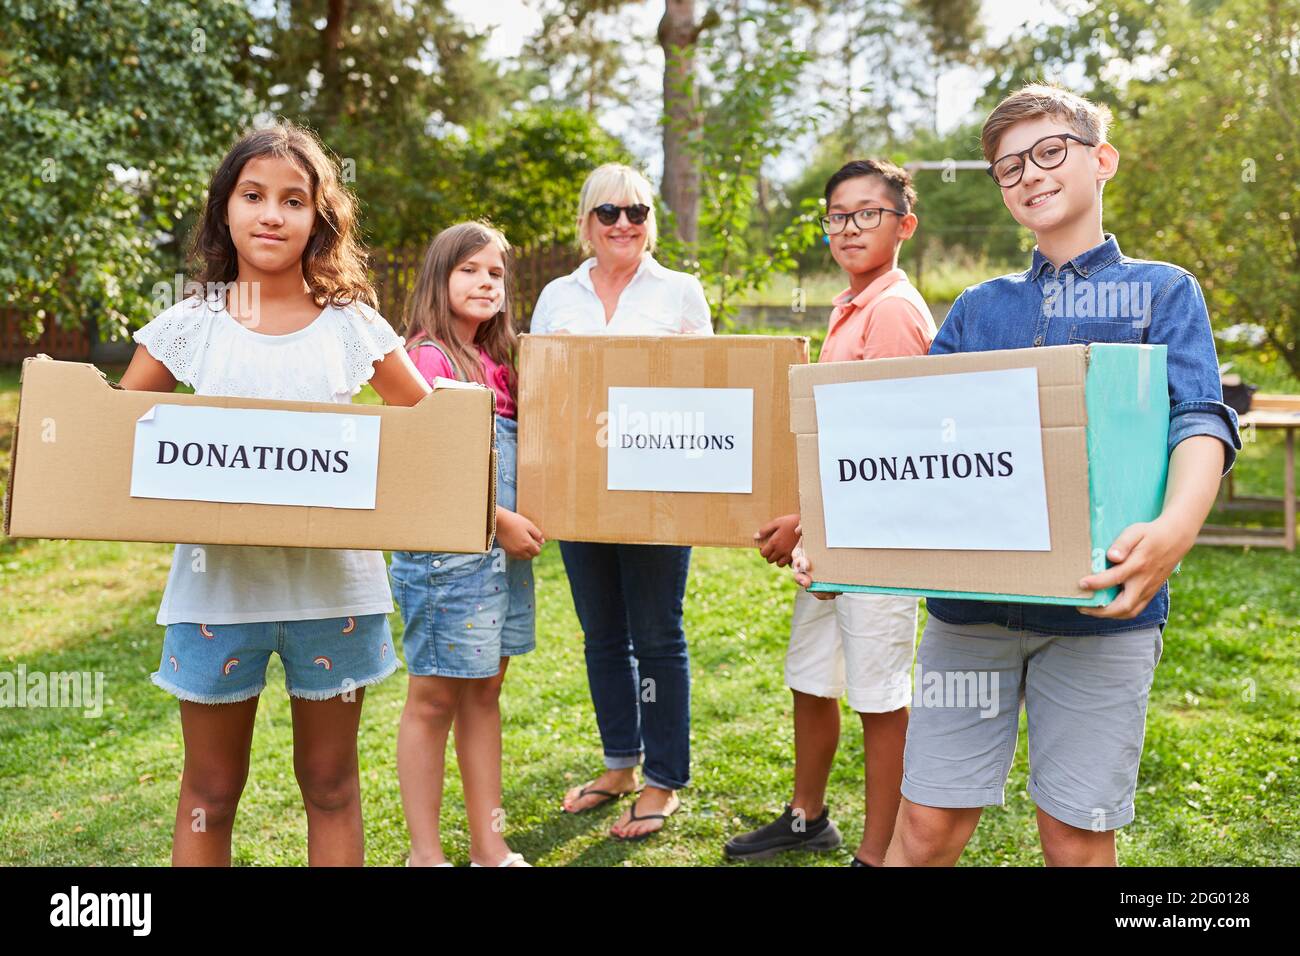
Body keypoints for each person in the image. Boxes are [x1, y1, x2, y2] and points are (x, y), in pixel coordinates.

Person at [795, 84, 1241, 866]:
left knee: (1074, 839)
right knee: (925, 828)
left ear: (1101, 160)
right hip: (969, 616)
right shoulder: (977, 309)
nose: (1030, 174)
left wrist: (1175, 530)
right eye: (1009, 167)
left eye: (1049, 152)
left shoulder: (1163, 292)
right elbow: (909, 441)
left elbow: (1199, 419)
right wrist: (841, 540)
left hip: (1102, 611)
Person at [119, 122, 433, 866]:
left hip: (335, 594)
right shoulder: (188, 325)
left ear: (319, 217)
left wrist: (489, 511)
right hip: (216, 594)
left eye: (294, 200)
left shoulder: (354, 328)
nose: (271, 215)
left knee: (331, 785)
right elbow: (113, 437)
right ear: (223, 208)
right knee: (209, 790)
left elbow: (435, 434)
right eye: (253, 195)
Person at [727, 160, 935, 866]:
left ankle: (879, 853)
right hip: (832, 535)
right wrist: (806, 520)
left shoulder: (895, 311)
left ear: (904, 225)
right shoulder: (851, 306)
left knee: (879, 697)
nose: (849, 228)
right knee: (813, 678)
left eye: (868, 213)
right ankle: (807, 817)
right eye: (837, 216)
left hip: (877, 542)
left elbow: (888, 450)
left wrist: (805, 524)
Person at [530, 163, 711, 840]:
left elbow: (709, 391)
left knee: (657, 635)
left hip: (659, 493)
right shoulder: (558, 296)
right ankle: (619, 766)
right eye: (608, 212)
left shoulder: (680, 292)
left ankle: (663, 779)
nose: (624, 223)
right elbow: (540, 387)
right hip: (580, 490)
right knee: (602, 634)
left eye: (637, 211)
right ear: (587, 223)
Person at [391, 221, 543, 867]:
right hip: (446, 561)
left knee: (484, 693)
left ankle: (489, 846)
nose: (486, 282)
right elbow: (428, 465)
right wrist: (499, 518)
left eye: (496, 274)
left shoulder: (501, 363)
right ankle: (425, 855)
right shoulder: (426, 359)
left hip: (501, 560)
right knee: (432, 701)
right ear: (439, 277)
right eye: (470, 270)